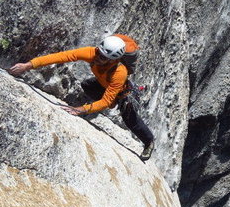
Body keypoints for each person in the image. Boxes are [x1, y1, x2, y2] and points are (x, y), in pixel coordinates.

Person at [9, 34, 155, 160]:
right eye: (98, 53)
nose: (98, 58)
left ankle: (149, 141)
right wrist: (29, 65)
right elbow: (60, 57)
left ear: (113, 60)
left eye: (103, 58)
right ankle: (93, 107)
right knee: (86, 85)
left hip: (122, 94)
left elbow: (106, 101)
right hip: (103, 85)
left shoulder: (119, 72)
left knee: (130, 120)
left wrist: (81, 110)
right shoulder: (92, 52)